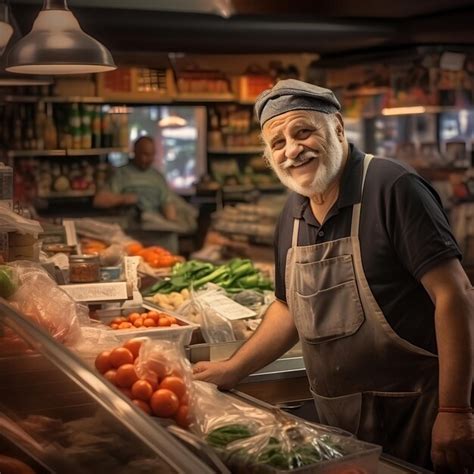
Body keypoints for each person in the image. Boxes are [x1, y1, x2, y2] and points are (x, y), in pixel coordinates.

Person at [193, 79, 474, 472]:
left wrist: (456, 408)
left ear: (338, 128)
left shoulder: (392, 187)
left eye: (303, 131)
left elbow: (456, 294)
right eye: (277, 143)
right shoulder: (292, 214)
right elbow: (288, 308)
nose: (292, 150)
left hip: (417, 414)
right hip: (338, 422)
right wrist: (232, 369)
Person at [93, 135, 177, 222]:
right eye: (144, 154)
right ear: (135, 152)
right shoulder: (121, 174)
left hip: (154, 223)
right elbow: (99, 201)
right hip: (129, 224)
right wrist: (123, 199)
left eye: (151, 155)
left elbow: (168, 204)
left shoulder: (158, 177)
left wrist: (171, 221)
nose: (148, 159)